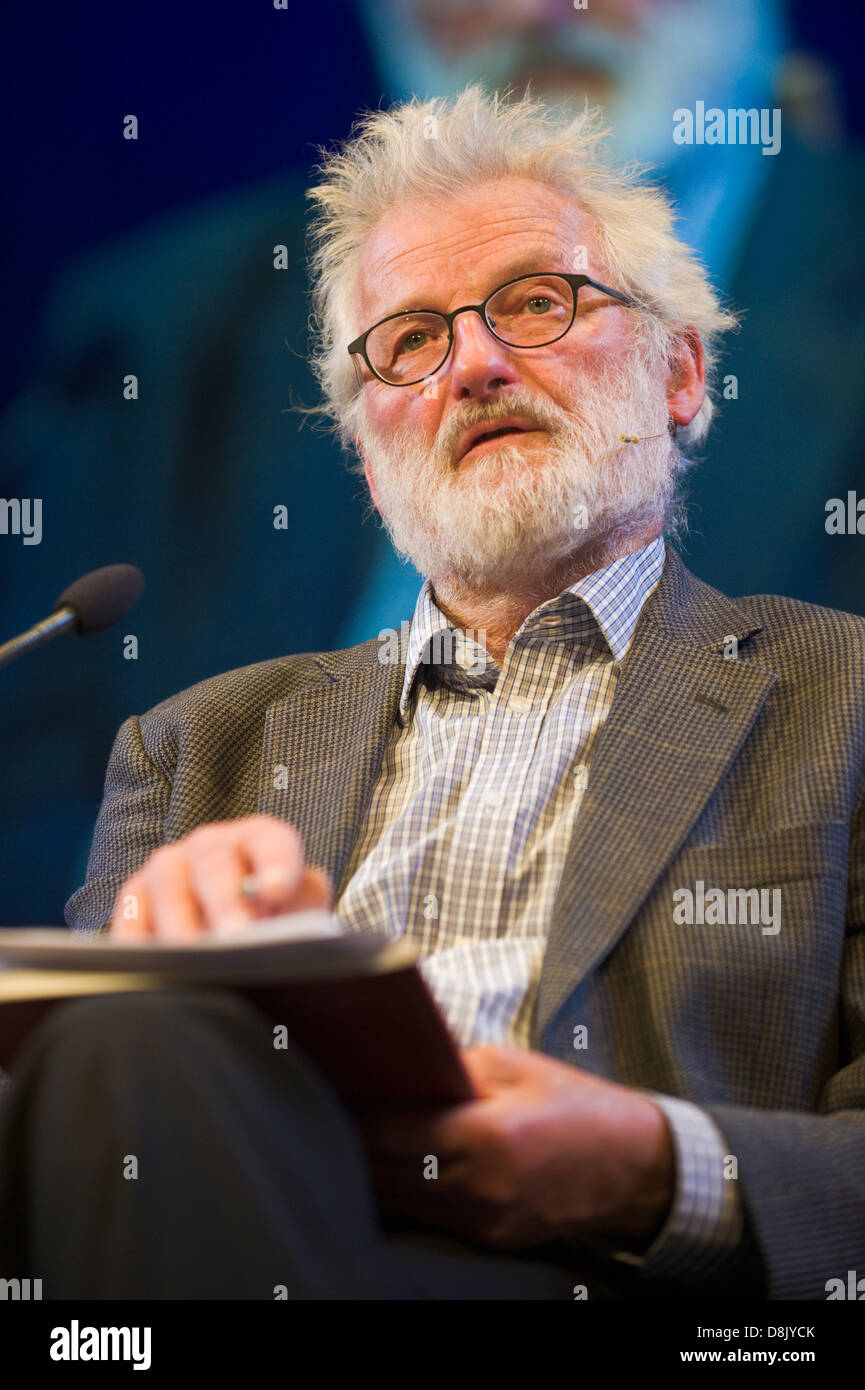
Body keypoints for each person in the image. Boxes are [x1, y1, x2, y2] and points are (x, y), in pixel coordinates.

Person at [1, 86, 862, 1300]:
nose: (475, 365)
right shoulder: (196, 747)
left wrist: (655, 1167)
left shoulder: (844, 699)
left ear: (679, 371)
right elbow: (69, 1141)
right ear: (362, 459)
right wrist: (150, 964)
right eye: (409, 340)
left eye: (534, 302)